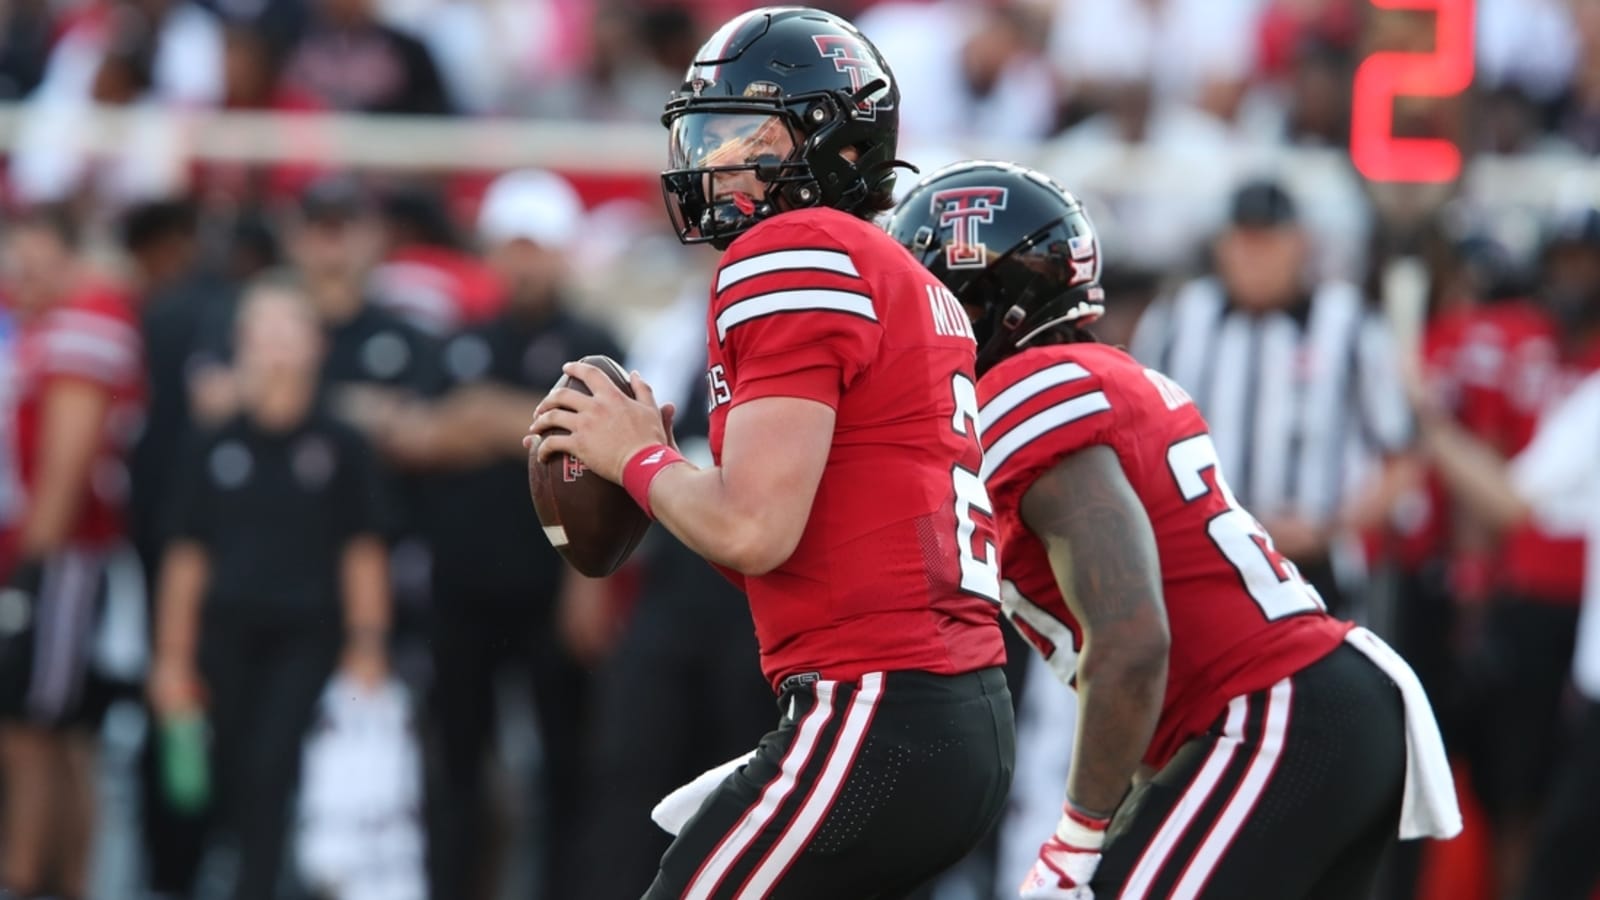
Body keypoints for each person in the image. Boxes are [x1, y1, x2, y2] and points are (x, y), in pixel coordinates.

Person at [528, 8, 1015, 897]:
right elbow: (801, 549)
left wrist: (641, 457)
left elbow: (755, 531)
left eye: (737, 134)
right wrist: (671, 490)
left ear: (826, 140)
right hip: (950, 707)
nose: (707, 160)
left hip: (873, 703)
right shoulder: (895, 271)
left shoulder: (792, 248)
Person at [884, 161, 1461, 899]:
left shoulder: (1024, 399)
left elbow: (1133, 641)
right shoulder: (1098, 371)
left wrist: (1076, 839)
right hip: (1308, 709)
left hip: (1273, 716)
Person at [148, 272, 393, 900]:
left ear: (315, 343)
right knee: (223, 773)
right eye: (264, 330)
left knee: (273, 768)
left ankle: (263, 883)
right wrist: (172, 659)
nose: (278, 345)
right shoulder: (212, 441)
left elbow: (362, 550)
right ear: (241, 343)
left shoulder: (340, 442)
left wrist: (367, 646)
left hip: (307, 633)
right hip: (225, 631)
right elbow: (185, 554)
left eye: (291, 328)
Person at [0, 208, 144, 900]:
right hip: (43, 556)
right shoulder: (42, 326)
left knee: (35, 728)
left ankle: (32, 879)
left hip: (59, 560)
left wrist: (28, 570)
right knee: (44, 731)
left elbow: (66, 460)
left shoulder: (84, 322)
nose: (21, 278)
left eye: (34, 263)